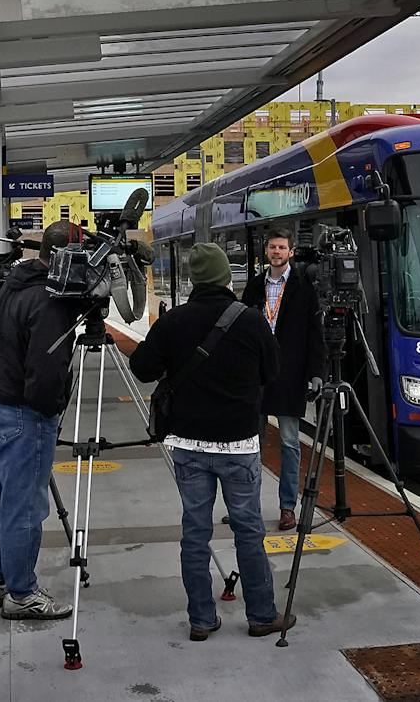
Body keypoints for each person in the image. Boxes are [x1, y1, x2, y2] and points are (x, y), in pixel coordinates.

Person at [130, 242, 295, 641]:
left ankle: (202, 620)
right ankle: (261, 615)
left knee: (195, 532)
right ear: (227, 278)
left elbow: (142, 368)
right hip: (239, 444)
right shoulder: (252, 320)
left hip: (188, 446)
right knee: (249, 530)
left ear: (191, 280)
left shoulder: (174, 322)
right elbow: (272, 372)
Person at [0, 221, 85, 620]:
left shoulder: (17, 283)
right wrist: (49, 409)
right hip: (19, 411)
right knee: (25, 506)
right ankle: (22, 593)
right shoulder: (50, 300)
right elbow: (47, 372)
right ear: (69, 255)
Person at [242, 228, 325, 531]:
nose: (277, 252)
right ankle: (247, 505)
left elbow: (315, 335)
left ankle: (287, 507)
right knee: (252, 443)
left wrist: (316, 373)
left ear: (290, 252)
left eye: (282, 248)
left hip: (290, 376)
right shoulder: (253, 287)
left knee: (290, 443)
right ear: (267, 252)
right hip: (257, 377)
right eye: (272, 248)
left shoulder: (304, 287)